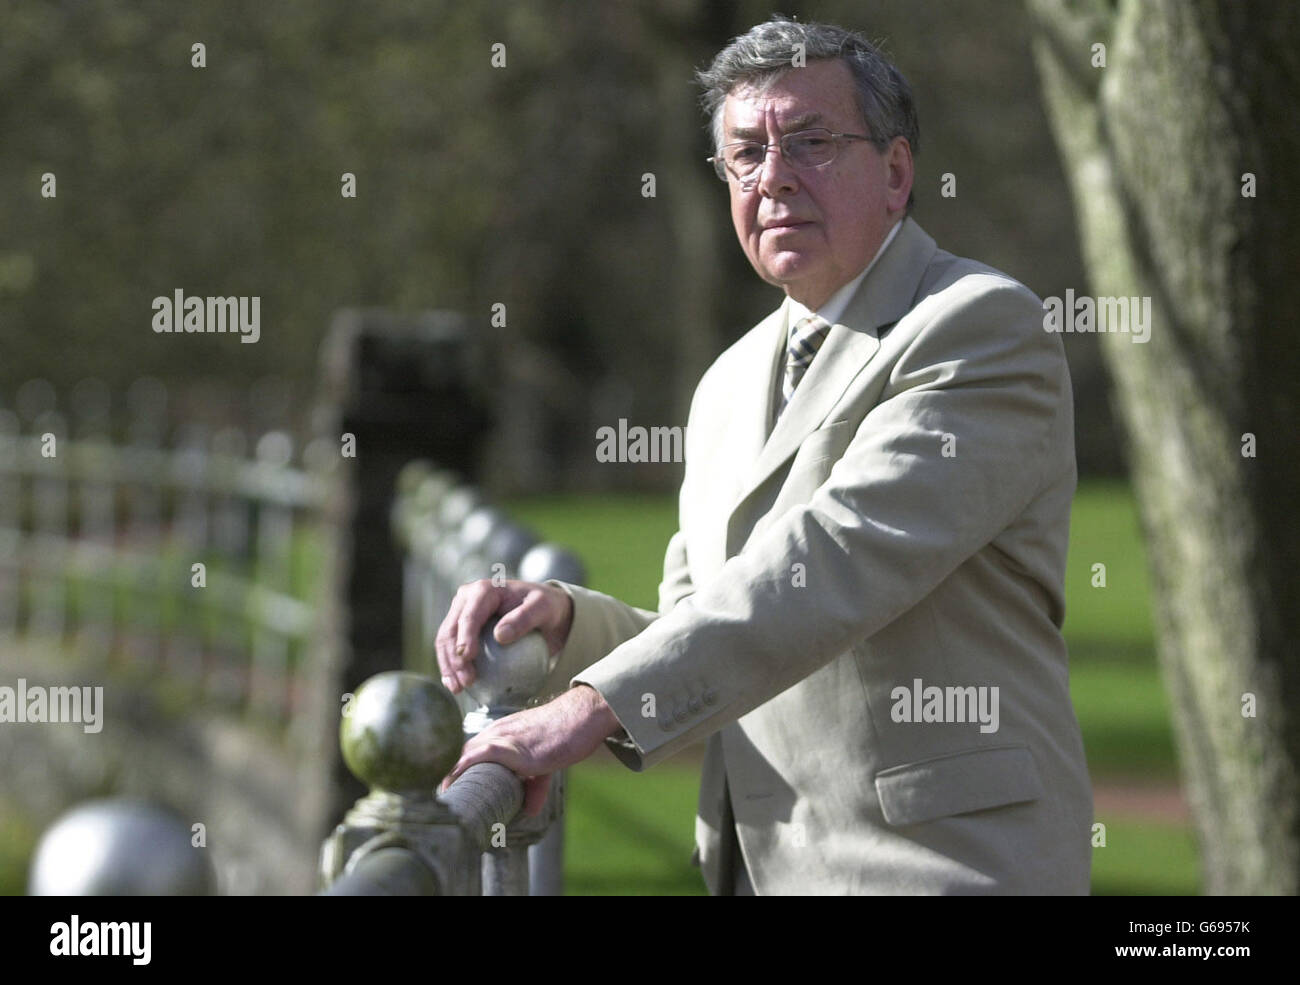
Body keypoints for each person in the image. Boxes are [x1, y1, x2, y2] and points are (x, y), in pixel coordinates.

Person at [437, 15, 1093, 895]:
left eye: (812, 142)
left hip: (939, 870)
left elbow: (831, 562)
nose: (774, 178)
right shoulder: (726, 382)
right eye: (745, 153)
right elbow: (700, 626)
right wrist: (559, 624)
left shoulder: (981, 326)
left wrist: (589, 710)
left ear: (896, 173)